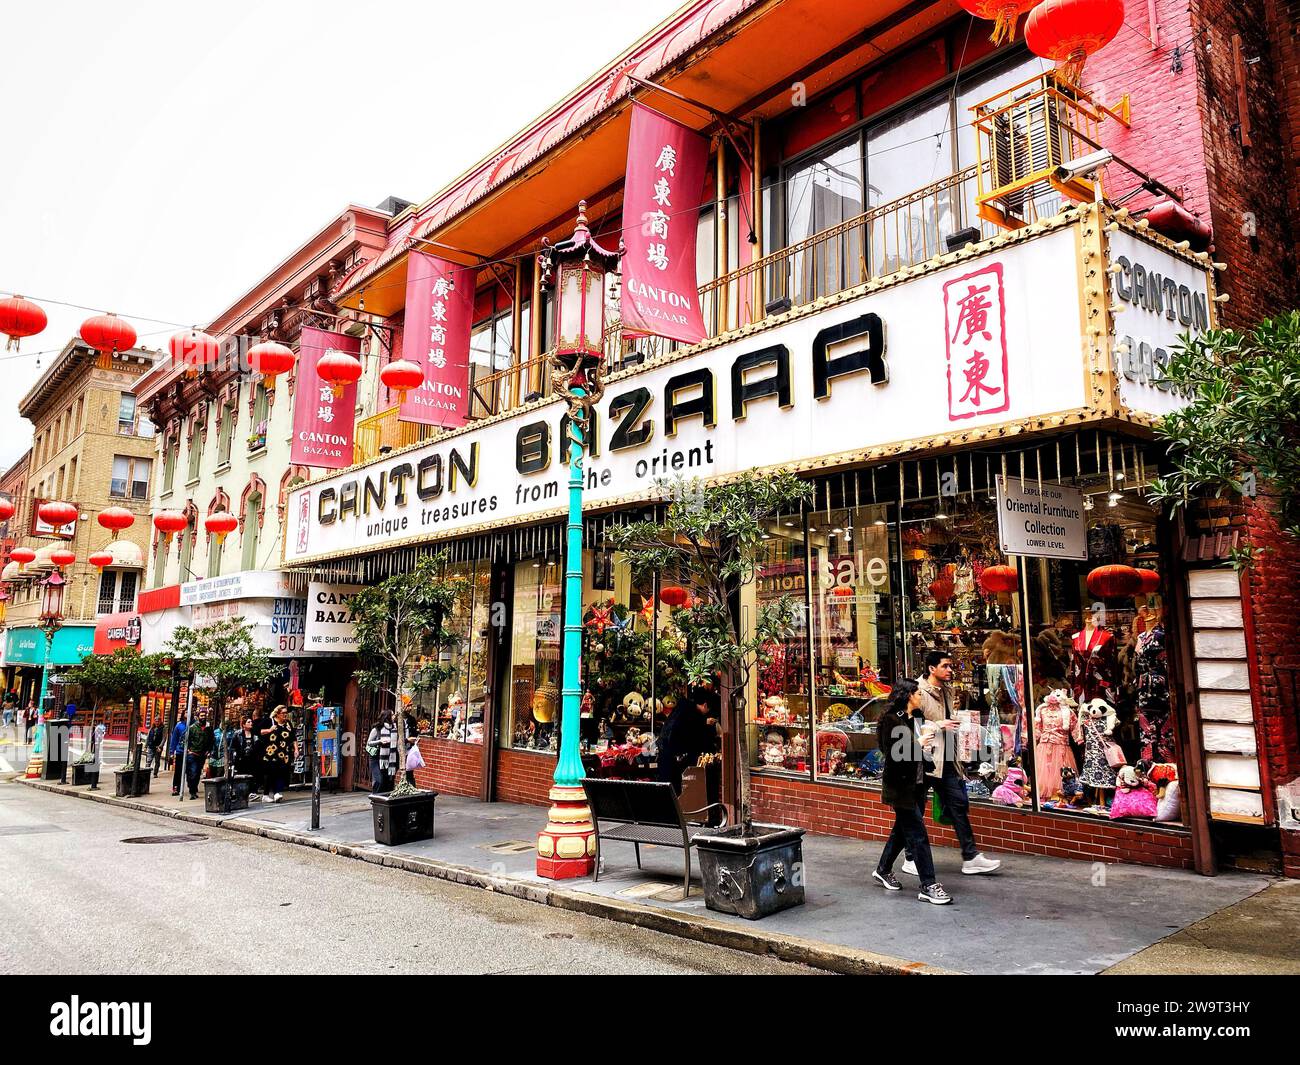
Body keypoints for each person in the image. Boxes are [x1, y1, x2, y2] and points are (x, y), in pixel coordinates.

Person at [904, 651, 1001, 877]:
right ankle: (910, 856)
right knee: (914, 809)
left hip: (946, 757)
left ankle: (971, 856)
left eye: (951, 666)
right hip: (924, 758)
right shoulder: (918, 691)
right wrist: (940, 725)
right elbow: (911, 724)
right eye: (945, 666)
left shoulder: (947, 689)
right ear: (931, 668)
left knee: (957, 803)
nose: (950, 670)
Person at [873, 679, 952, 904]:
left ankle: (883, 869)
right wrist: (918, 743)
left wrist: (925, 745)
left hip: (918, 783)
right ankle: (928, 884)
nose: (920, 697)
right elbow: (894, 754)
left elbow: (918, 750)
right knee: (918, 834)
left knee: (901, 831)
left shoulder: (916, 718)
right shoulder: (890, 720)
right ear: (908, 695)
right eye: (918, 693)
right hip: (900, 787)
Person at [655, 686, 718, 793]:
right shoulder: (693, 714)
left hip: (665, 753)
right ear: (705, 705)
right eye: (708, 709)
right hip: (674, 758)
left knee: (667, 789)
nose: (707, 712)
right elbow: (694, 737)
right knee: (675, 790)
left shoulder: (682, 708)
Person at [259, 705, 295, 802]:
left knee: (281, 772)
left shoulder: (288, 724)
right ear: (277, 714)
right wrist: (269, 730)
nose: (285, 715)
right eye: (283, 713)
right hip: (271, 752)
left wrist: (296, 749)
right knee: (271, 772)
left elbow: (293, 737)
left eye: (286, 713)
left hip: (284, 753)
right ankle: (267, 794)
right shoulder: (269, 721)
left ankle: (277, 792)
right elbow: (259, 731)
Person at [183, 709, 214, 799]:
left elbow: (211, 740)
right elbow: (185, 740)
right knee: (193, 772)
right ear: (198, 717)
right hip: (193, 753)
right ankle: (192, 791)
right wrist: (189, 750)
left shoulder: (208, 728)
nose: (203, 718)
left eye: (204, 716)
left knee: (197, 773)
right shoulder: (192, 728)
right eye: (201, 716)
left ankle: (194, 788)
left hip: (202, 754)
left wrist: (209, 750)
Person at [366, 710, 397, 794]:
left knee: (388, 782)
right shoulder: (377, 729)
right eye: (392, 715)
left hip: (390, 759)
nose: (394, 716)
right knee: (379, 780)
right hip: (376, 759)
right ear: (387, 717)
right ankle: (375, 798)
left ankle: (384, 800)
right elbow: (369, 743)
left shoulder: (395, 728)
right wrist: (380, 741)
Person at [231, 716, 258, 782]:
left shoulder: (254, 734)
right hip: (241, 759)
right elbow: (232, 747)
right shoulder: (238, 734)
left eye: (251, 721)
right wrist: (233, 758)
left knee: (251, 776)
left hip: (251, 759)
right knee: (241, 776)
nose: (251, 723)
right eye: (248, 722)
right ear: (243, 724)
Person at [169, 713, 188, 796]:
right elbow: (174, 739)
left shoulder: (194, 725)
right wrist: (171, 752)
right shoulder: (179, 726)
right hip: (180, 751)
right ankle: (176, 787)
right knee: (178, 771)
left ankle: (193, 787)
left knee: (192, 772)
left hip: (191, 752)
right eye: (186, 712)